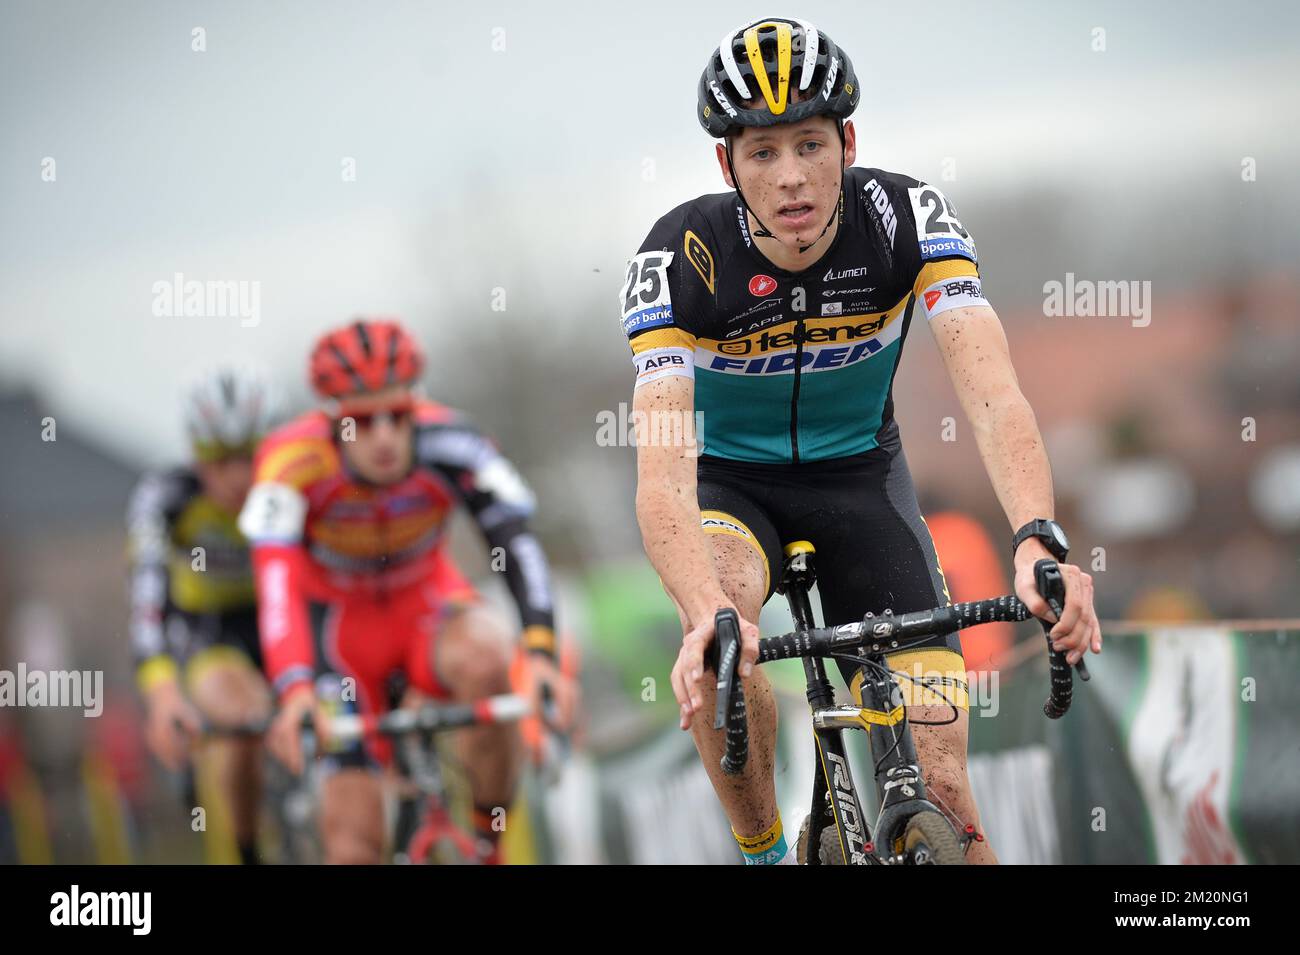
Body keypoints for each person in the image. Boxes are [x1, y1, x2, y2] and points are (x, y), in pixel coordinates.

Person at [623, 17, 1100, 864]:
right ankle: (764, 849)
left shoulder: (904, 216)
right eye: (762, 152)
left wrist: (1036, 536)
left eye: (810, 143)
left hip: (863, 485)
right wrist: (703, 616)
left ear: (848, 140)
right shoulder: (680, 255)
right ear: (725, 163)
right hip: (731, 492)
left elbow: (992, 394)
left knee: (948, 791)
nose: (793, 177)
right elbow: (663, 478)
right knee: (727, 640)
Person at [239, 318, 574, 864]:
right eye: (362, 422)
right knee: (352, 848)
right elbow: (275, 583)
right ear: (332, 420)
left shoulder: (454, 442)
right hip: (338, 637)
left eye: (398, 416)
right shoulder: (290, 463)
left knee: (491, 660)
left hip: (426, 609)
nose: (384, 438)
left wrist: (540, 652)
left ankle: (484, 843)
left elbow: (517, 544)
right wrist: (296, 686)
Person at [127, 367, 276, 865]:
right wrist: (162, 690)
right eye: (220, 459)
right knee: (241, 718)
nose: (238, 477)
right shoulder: (167, 498)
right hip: (210, 631)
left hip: (281, 620)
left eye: (249, 456)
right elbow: (146, 597)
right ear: (195, 454)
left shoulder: (291, 483)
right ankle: (248, 849)